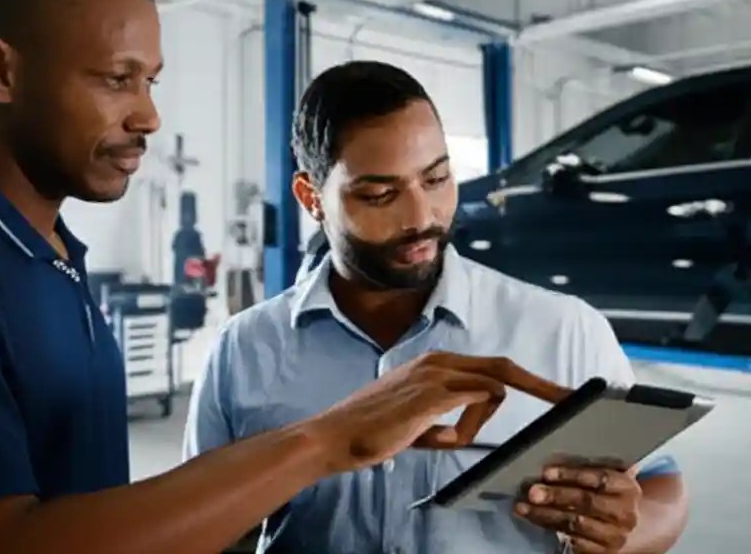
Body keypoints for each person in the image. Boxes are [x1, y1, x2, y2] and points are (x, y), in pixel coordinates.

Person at [0, 0, 570, 554]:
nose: (148, 116)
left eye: (152, 81)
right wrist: (323, 442)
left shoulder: (46, 250)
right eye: (115, 78)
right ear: (2, 70)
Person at [183, 61, 690, 553]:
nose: (421, 217)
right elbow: (198, 524)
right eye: (380, 194)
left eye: (436, 179)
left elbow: (662, 484)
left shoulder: (563, 330)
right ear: (311, 197)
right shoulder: (244, 350)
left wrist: (623, 530)